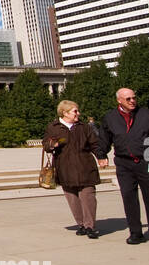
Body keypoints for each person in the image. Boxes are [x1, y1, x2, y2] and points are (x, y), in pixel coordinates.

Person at [96, 88, 149, 245]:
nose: (132, 101)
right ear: (119, 101)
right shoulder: (110, 117)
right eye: (128, 99)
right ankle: (135, 233)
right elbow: (104, 138)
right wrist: (101, 155)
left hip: (147, 161)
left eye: (134, 98)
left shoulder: (147, 115)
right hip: (124, 164)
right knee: (129, 198)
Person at [44, 100, 106, 239]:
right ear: (65, 113)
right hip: (65, 168)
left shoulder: (84, 127)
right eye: (75, 111)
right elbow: (46, 145)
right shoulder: (53, 127)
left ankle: (90, 226)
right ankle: (82, 224)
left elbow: (94, 144)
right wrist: (52, 144)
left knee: (88, 197)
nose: (78, 113)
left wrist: (101, 157)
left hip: (85, 167)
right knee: (72, 199)